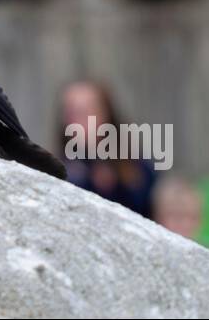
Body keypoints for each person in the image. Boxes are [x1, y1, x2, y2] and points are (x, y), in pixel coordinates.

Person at [57, 80, 156, 217]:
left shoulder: (136, 167)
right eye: (70, 112)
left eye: (84, 111)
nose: (75, 120)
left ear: (106, 115)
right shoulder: (57, 168)